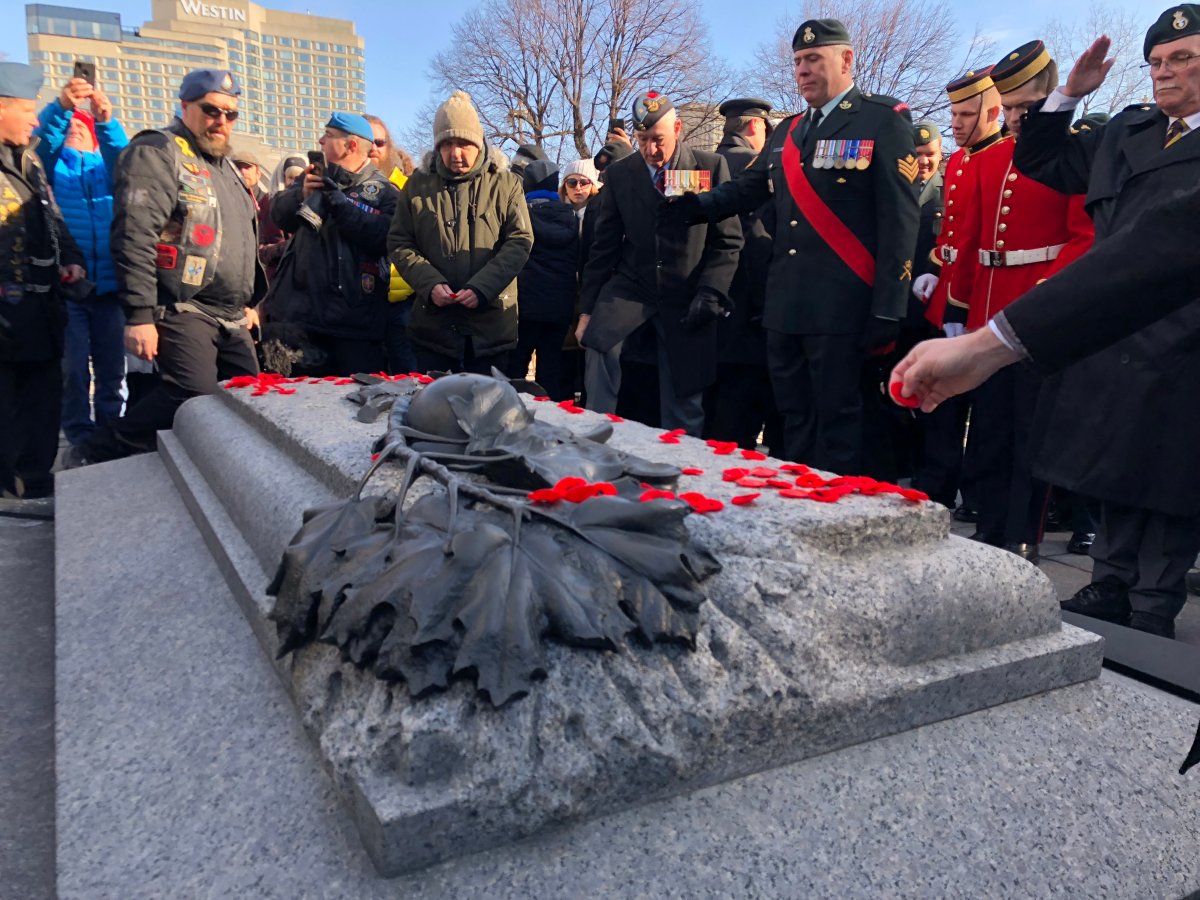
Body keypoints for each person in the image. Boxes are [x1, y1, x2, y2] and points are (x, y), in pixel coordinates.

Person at [900, 6, 1200, 639]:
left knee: (1171, 467)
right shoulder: (1131, 131)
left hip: (1183, 331)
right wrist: (1067, 95)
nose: (1163, 73)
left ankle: (1154, 601)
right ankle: (1110, 580)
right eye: (1155, 63)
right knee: (1114, 454)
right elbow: (1042, 160)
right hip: (1114, 323)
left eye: (1182, 59)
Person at [666, 18, 920, 471]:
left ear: (846, 60)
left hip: (845, 304)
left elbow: (900, 220)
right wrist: (696, 206)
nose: (802, 70)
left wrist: (889, 305)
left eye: (813, 59)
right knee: (794, 422)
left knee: (840, 424)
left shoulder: (883, 120)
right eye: (798, 61)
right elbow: (749, 189)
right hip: (786, 307)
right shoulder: (788, 132)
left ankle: (839, 521)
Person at [64, 69, 264, 467]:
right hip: (181, 304)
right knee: (191, 392)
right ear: (185, 106)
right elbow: (134, 235)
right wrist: (139, 316)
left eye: (230, 114)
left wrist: (250, 300)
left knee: (251, 400)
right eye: (211, 110)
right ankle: (97, 450)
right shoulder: (158, 151)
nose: (221, 121)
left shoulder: (225, 167)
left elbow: (242, 239)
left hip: (230, 314)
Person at [956, 42, 1095, 562]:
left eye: (1027, 109)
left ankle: (1021, 531)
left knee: (1029, 431)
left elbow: (1084, 236)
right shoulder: (988, 159)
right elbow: (973, 239)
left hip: (1040, 308)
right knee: (989, 424)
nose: (1016, 118)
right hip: (990, 308)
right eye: (1009, 108)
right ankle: (988, 523)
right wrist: (960, 307)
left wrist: (1050, 296)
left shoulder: (1074, 153)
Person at [576, 90, 743, 435]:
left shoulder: (710, 167)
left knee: (685, 397)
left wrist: (711, 292)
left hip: (687, 290)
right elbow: (603, 249)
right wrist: (586, 313)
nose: (652, 150)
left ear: (678, 128)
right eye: (643, 140)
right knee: (598, 342)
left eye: (658, 139)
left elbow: (728, 240)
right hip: (634, 285)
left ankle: (682, 466)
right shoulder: (622, 175)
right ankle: (595, 437)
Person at [388, 90, 532, 374]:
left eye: (464, 143)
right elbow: (400, 241)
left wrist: (482, 287)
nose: (456, 153)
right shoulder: (417, 184)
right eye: (447, 143)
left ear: (479, 142)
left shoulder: (505, 183)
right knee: (433, 413)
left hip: (490, 328)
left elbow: (519, 241)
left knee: (487, 411)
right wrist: (429, 284)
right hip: (433, 328)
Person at [0, 62, 86, 499]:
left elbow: (52, 218)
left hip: (40, 312)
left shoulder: (29, 161)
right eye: (27, 109)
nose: (35, 119)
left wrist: (70, 259)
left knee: (42, 401)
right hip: (4, 315)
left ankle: (34, 483)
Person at [262, 112, 399, 376]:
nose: (321, 140)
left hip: (355, 324)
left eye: (329, 135)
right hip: (301, 319)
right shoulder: (310, 177)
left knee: (351, 407)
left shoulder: (386, 192)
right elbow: (278, 215)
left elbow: (384, 238)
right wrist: (301, 196)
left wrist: (341, 206)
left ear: (352, 145)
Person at [35, 75, 128, 451]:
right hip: (69, 283)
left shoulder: (107, 170)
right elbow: (42, 147)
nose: (75, 130)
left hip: (109, 284)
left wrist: (105, 122)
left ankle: (111, 433)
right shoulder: (52, 169)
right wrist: (61, 110)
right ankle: (78, 435)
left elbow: (128, 164)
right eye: (70, 127)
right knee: (72, 369)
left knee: (112, 369)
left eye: (81, 127)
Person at [702, 96, 781, 453]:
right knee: (738, 424)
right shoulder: (756, 170)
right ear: (754, 126)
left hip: (700, 306)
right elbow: (759, 241)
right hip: (746, 309)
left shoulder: (696, 166)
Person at [506, 158, 578, 398]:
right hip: (559, 308)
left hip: (525, 307)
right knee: (550, 369)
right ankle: (551, 418)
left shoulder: (519, 216)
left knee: (516, 368)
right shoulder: (571, 218)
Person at [365, 112, 419, 375]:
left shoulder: (409, 188)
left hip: (402, 302)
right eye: (367, 141)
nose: (373, 148)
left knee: (408, 382)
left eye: (380, 142)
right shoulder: (337, 188)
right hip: (359, 305)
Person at [258, 154, 303, 284]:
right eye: (290, 177)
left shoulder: (313, 202)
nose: (294, 182)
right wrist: (290, 246)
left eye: (299, 177)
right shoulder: (268, 203)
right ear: (282, 177)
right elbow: (260, 250)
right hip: (278, 278)